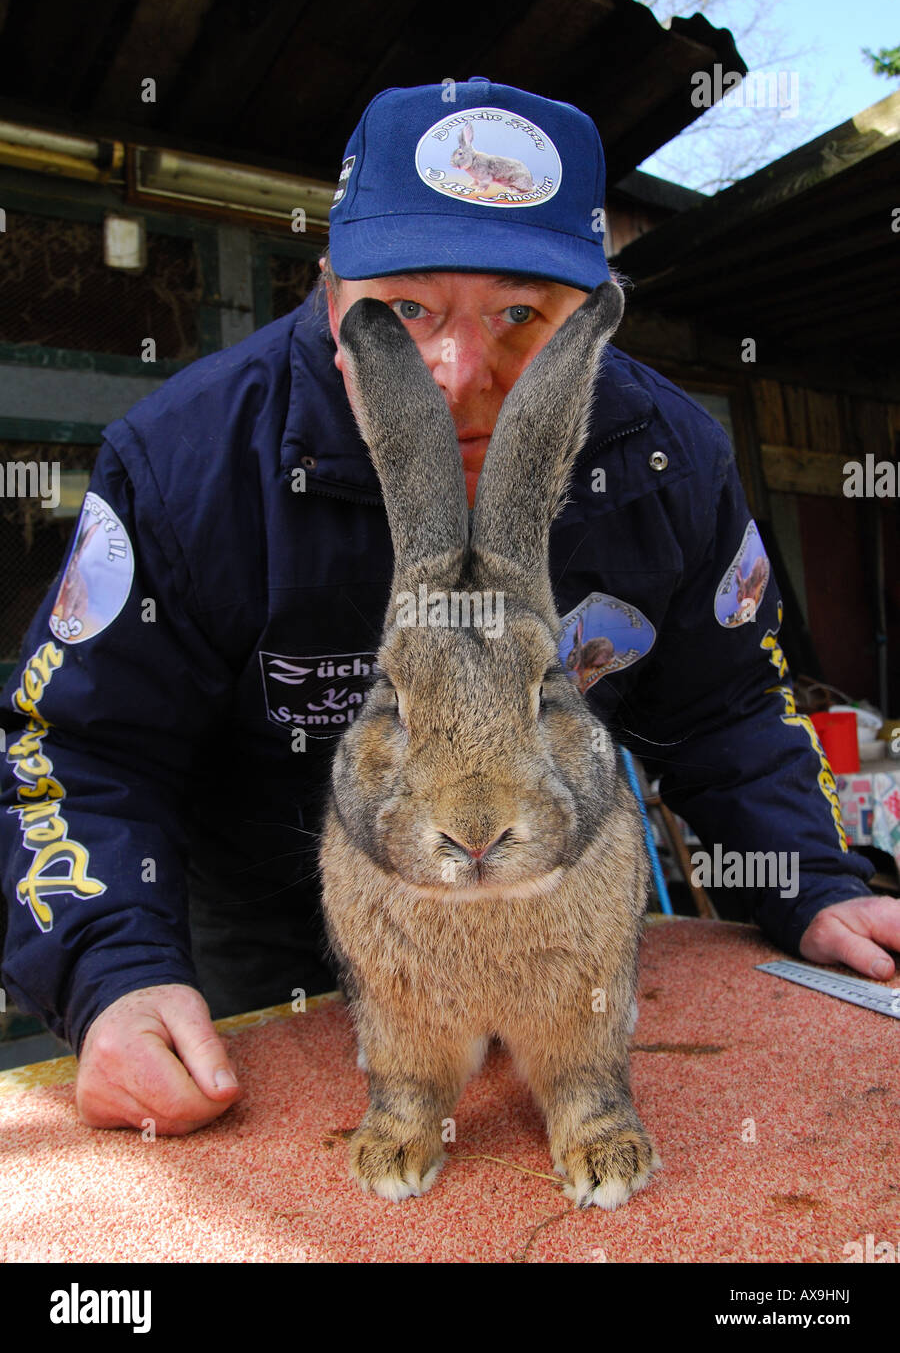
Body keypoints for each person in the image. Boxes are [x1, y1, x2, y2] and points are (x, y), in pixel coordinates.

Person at [1, 78, 896, 1137]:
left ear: (585, 326)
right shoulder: (189, 464)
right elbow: (84, 744)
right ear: (332, 287)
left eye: (522, 316)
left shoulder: (667, 461)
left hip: (549, 904)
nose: (460, 374)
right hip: (273, 923)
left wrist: (813, 882)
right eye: (407, 309)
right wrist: (117, 971)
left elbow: (730, 703)